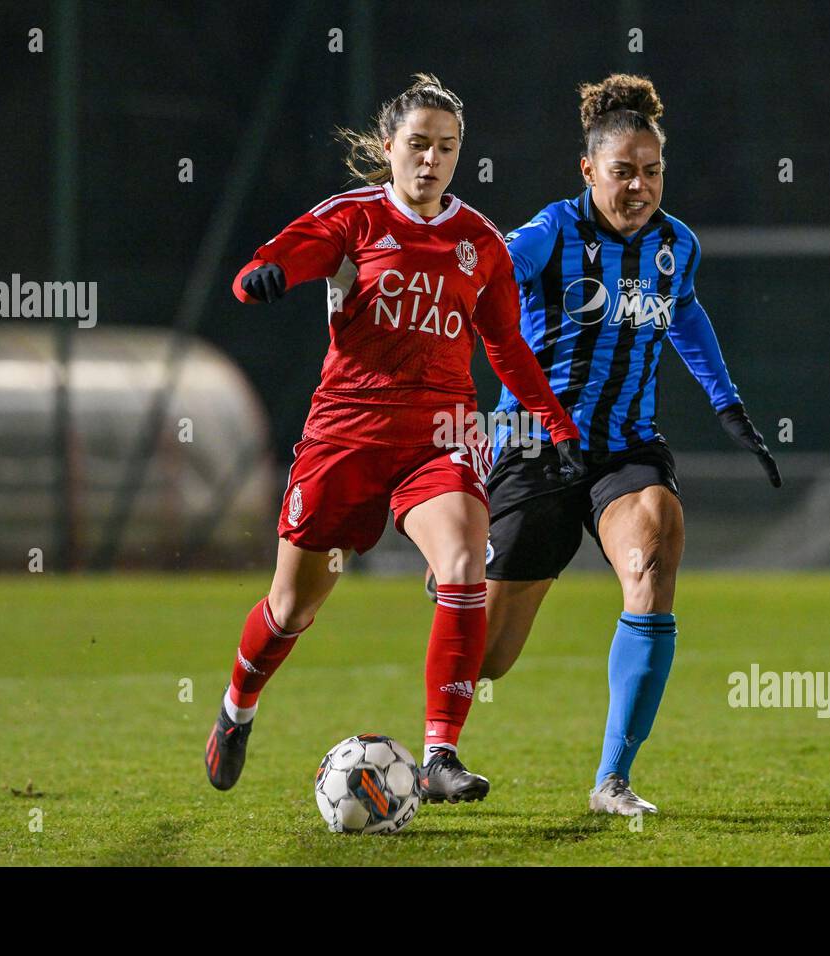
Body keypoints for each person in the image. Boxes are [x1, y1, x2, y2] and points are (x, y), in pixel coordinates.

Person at [206, 74, 586, 806]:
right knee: (293, 608)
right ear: (389, 149)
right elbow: (291, 252)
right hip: (345, 434)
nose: (431, 160)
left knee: (464, 562)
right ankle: (236, 709)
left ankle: (441, 753)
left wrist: (558, 427)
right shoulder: (353, 218)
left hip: (440, 435)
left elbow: (505, 345)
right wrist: (267, 276)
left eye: (446, 148)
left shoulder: (479, 242)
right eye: (417, 145)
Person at [454, 73, 781, 815]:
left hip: (627, 449)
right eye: (624, 171)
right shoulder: (551, 232)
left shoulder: (676, 246)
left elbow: (686, 315)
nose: (640, 186)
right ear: (589, 170)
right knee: (493, 658)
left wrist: (728, 406)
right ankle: (432, 747)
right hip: (536, 449)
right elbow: (492, 273)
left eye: (653, 170)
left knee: (658, 536)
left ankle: (613, 780)